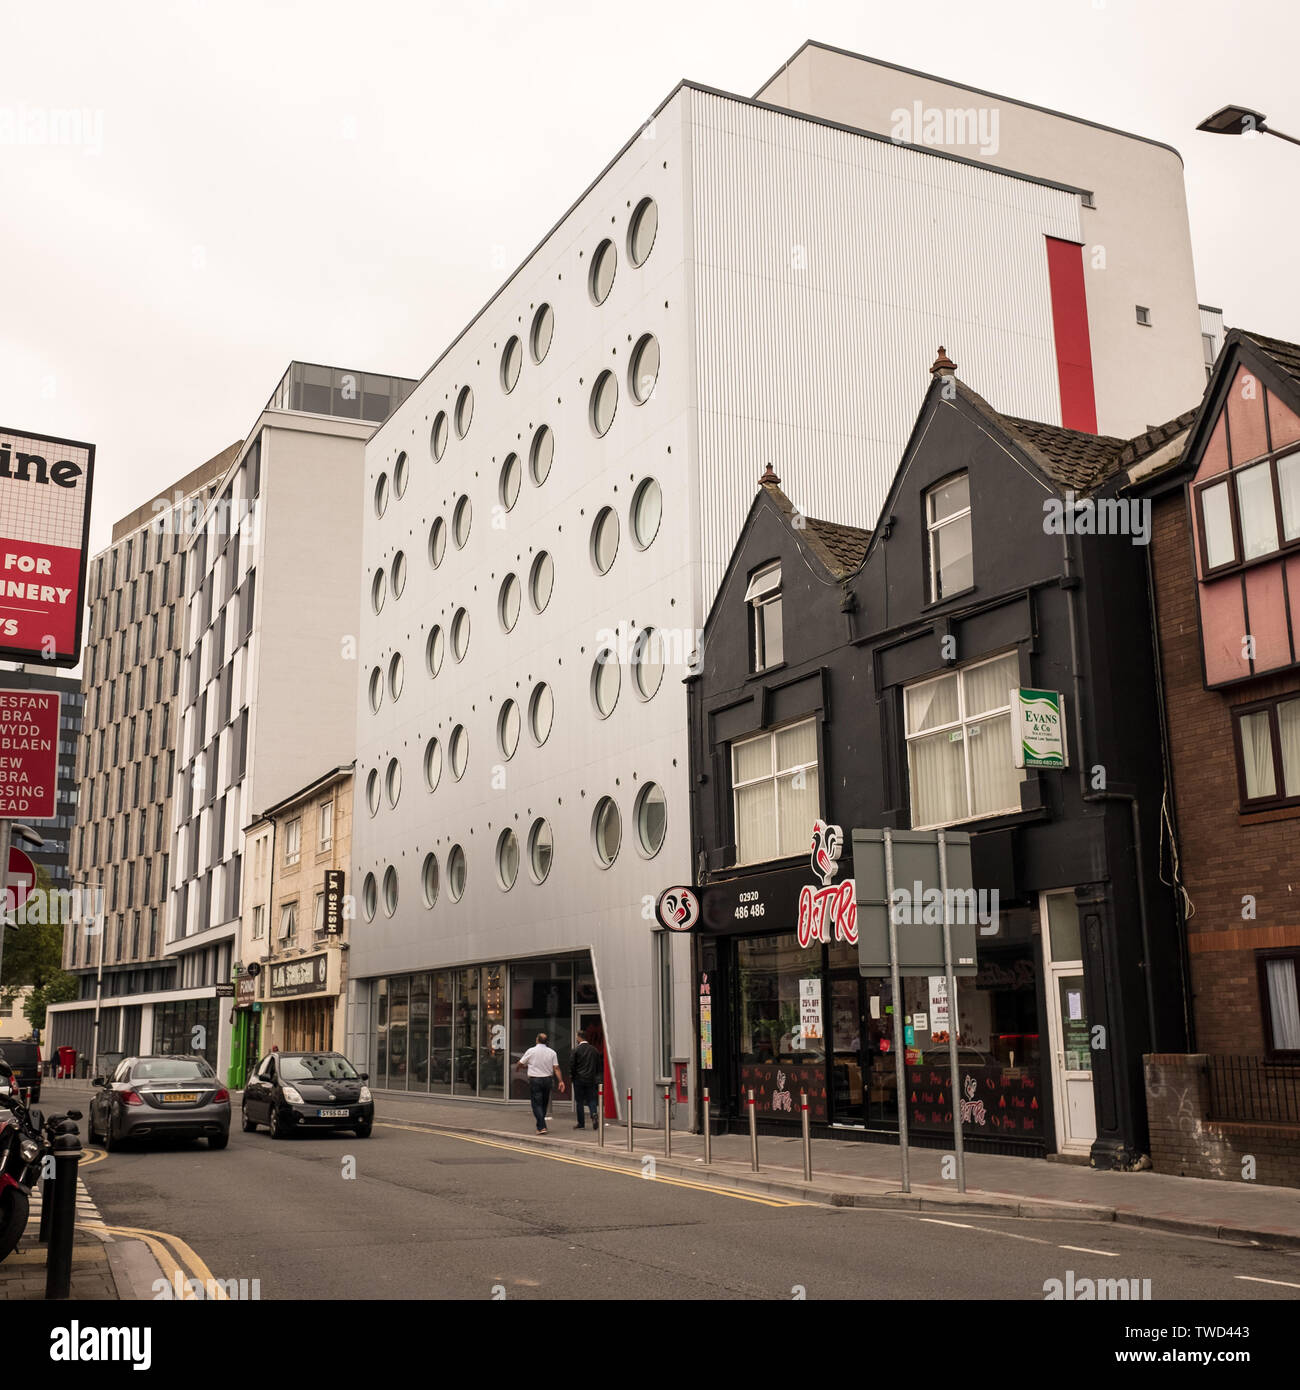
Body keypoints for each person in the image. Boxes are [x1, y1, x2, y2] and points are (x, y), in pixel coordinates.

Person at [515, 1032, 565, 1134]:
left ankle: (542, 1127)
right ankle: (540, 1126)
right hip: (547, 1080)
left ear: (537, 1040)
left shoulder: (531, 1051)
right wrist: (561, 1081)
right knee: (544, 1103)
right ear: (546, 1041)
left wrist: (518, 1068)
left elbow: (520, 1063)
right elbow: (556, 1068)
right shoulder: (552, 1052)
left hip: (535, 1080)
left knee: (536, 1104)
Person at [569, 1028, 602, 1129]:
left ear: (579, 1037)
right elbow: (598, 1065)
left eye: (576, 1036)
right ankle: (594, 1114)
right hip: (591, 1079)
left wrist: (572, 1077)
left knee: (579, 1101)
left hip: (579, 1079)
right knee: (591, 1099)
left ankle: (581, 1123)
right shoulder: (594, 1050)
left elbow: (572, 1065)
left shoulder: (576, 1050)